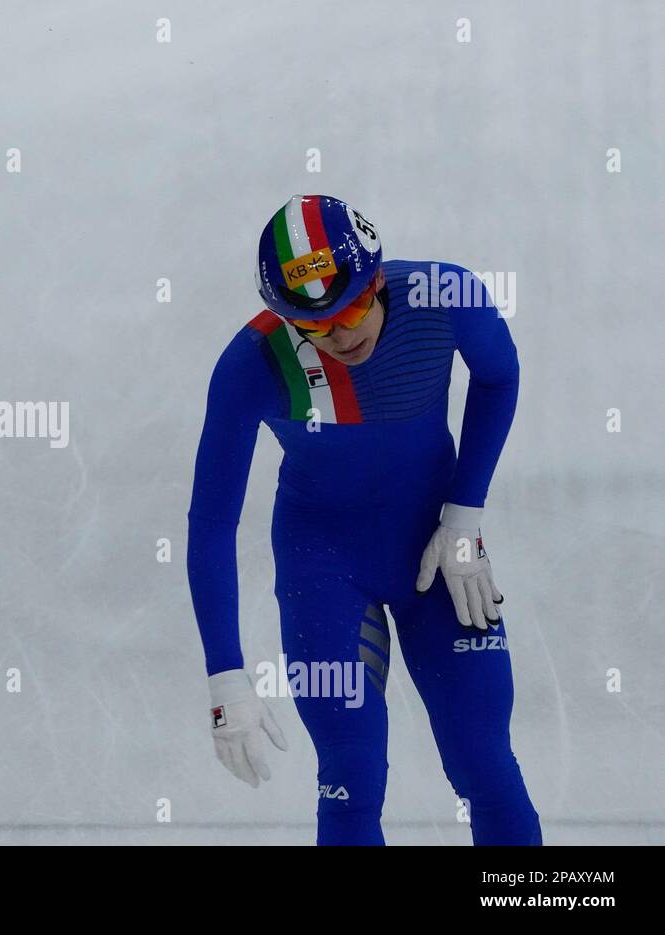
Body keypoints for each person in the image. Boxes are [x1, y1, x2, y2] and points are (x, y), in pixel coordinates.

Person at [187, 194, 541, 845]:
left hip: (435, 547)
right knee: (348, 778)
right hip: (323, 564)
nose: (342, 335)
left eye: (350, 308)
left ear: (376, 281)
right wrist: (225, 674)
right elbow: (211, 522)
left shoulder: (443, 296)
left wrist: (463, 515)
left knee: (484, 761)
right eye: (314, 326)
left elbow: (500, 376)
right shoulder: (252, 364)